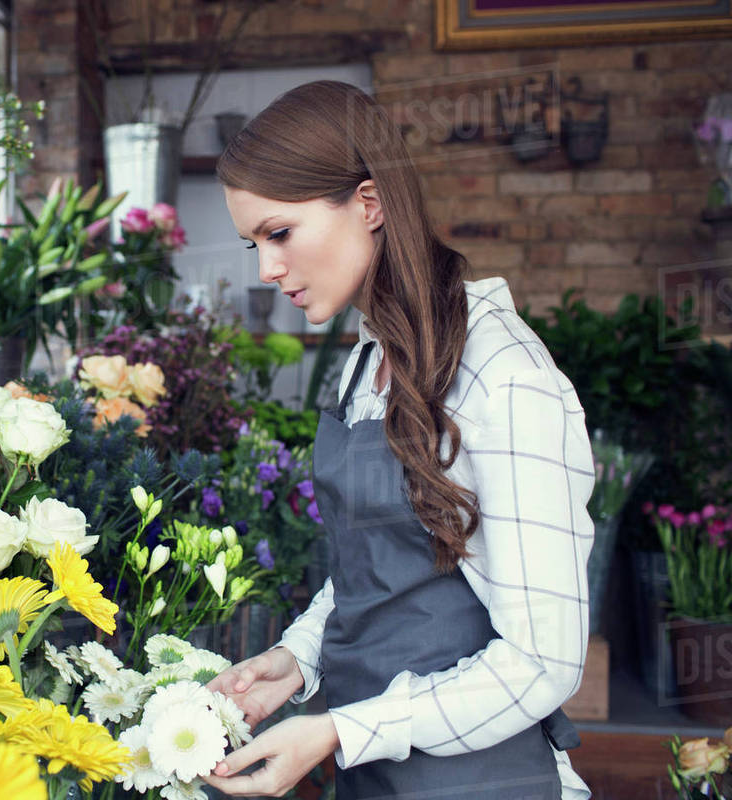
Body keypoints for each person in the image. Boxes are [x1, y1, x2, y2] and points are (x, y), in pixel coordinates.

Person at [204, 80, 594, 799]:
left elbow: (546, 661)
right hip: (373, 777)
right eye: (252, 242)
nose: (266, 269)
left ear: (370, 203)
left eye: (280, 233)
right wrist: (297, 660)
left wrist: (340, 731)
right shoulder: (368, 363)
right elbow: (379, 568)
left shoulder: (501, 376)